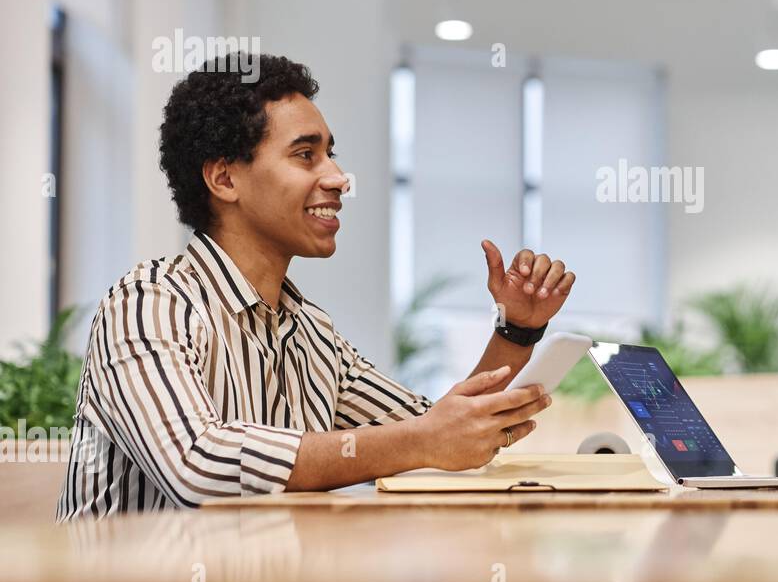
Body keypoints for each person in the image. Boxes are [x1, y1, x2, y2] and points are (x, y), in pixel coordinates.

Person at [56, 54, 575, 521]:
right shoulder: (149, 303)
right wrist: (422, 440)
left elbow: (436, 436)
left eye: (330, 154)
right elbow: (199, 467)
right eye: (306, 155)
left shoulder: (311, 334)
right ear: (224, 179)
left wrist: (518, 329)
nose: (339, 177)